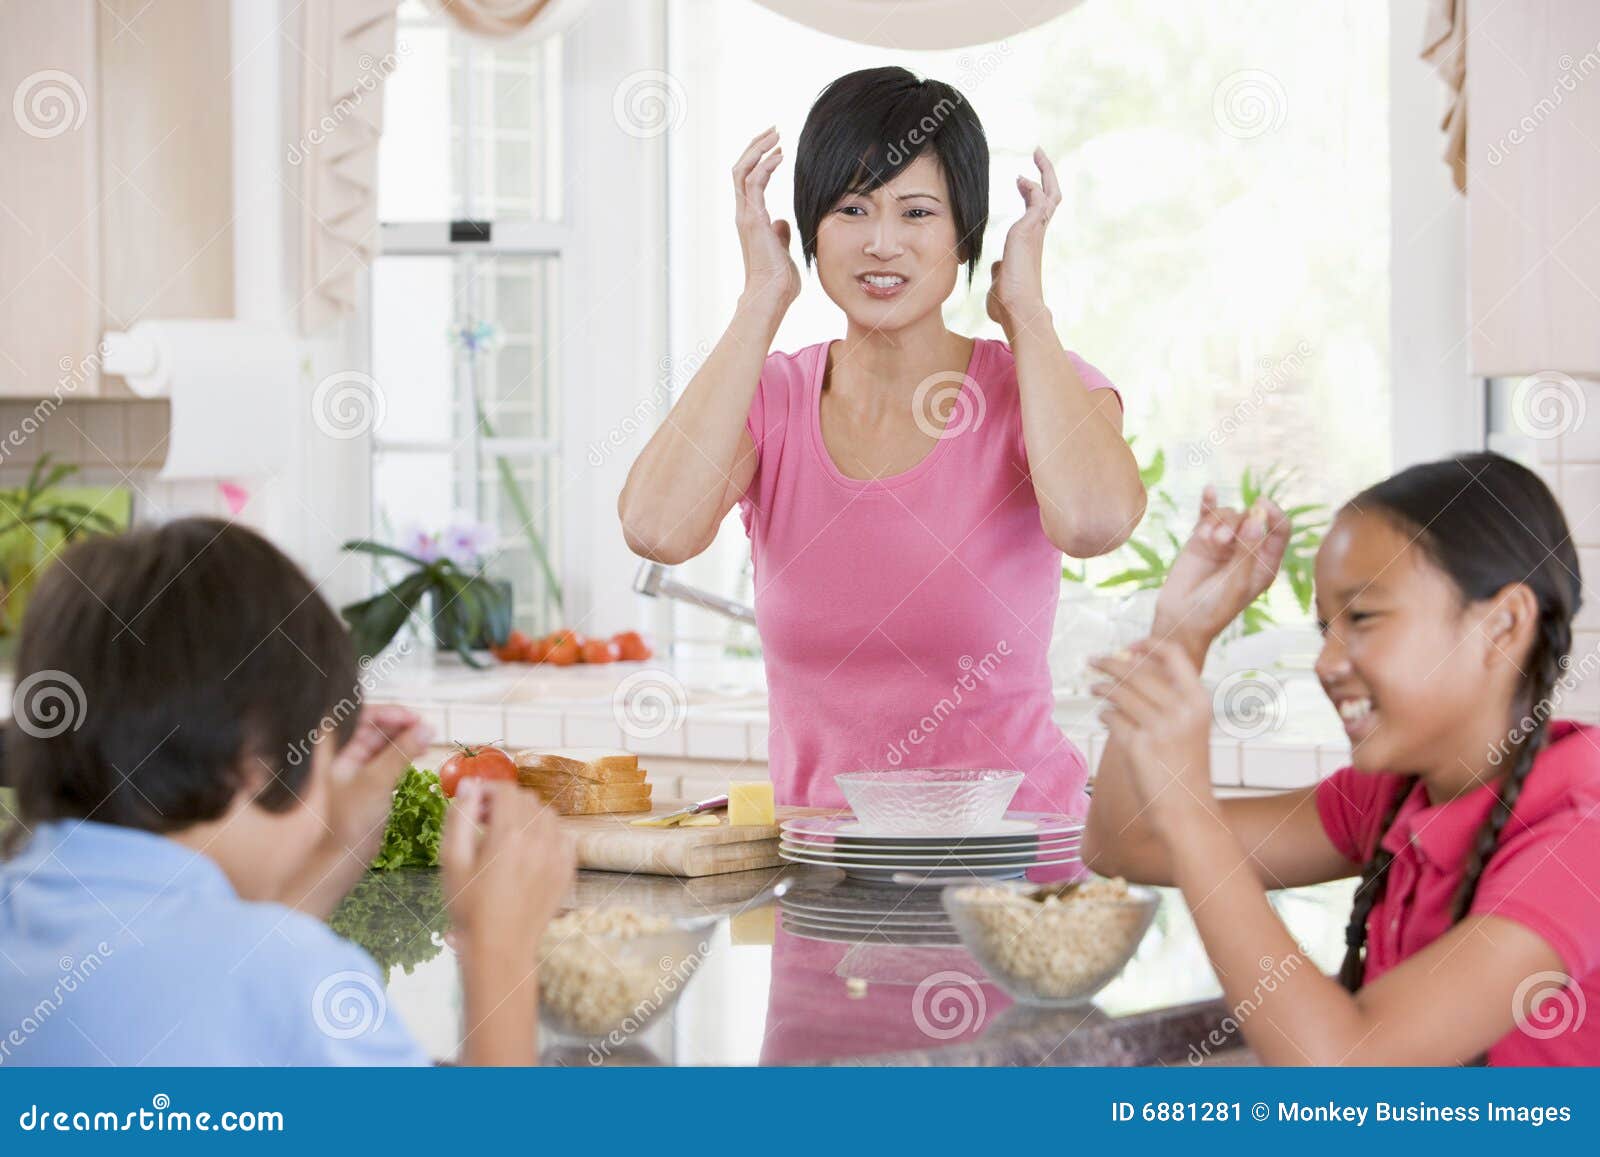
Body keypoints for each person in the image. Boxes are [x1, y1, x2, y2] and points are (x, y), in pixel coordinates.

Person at [619, 67, 1144, 815]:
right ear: (811, 228)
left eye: (918, 211)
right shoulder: (773, 398)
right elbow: (657, 527)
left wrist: (1026, 310)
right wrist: (759, 301)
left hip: (1013, 881)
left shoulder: (1037, 387)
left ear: (964, 229)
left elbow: (1095, 521)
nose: (882, 243)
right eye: (852, 208)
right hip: (823, 882)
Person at [1083, 452, 1600, 1064]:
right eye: (1324, 628)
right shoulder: (1394, 795)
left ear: (1502, 624)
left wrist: (1188, 800)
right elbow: (1124, 843)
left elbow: (1344, 1071)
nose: (1326, 663)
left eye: (1364, 618)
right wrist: (1180, 633)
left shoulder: (1581, 834)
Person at [0, 518, 575, 1066]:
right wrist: (498, 952)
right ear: (255, 758)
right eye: (323, 749)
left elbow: (207, 977)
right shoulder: (296, 983)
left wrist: (336, 847)